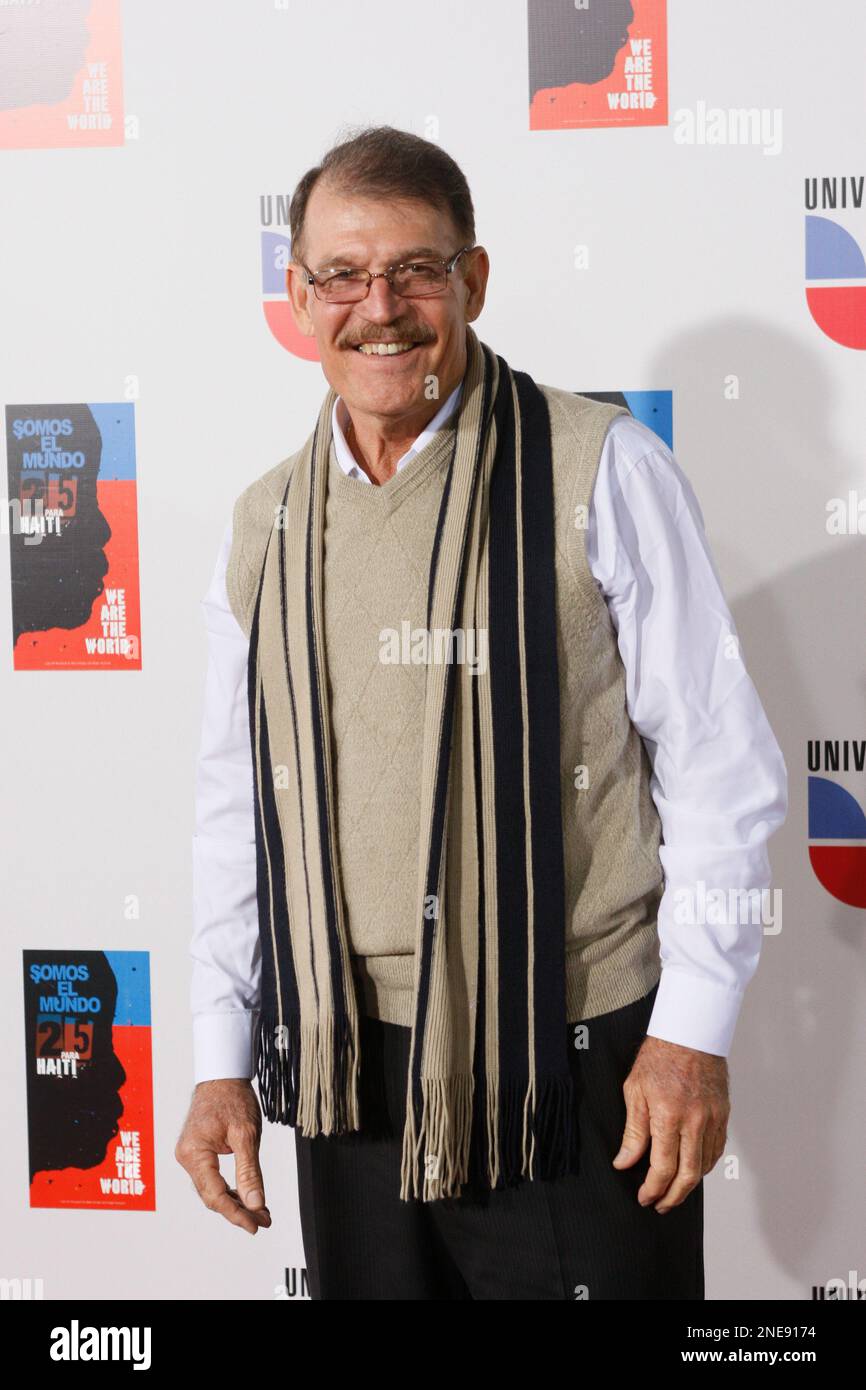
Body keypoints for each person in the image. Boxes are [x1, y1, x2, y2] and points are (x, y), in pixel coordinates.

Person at [175, 125, 788, 1300]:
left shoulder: (597, 468)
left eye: (416, 268)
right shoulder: (265, 525)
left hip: (572, 1051)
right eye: (342, 275)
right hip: (348, 1066)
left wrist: (690, 1031)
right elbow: (233, 810)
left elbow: (718, 767)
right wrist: (218, 1060)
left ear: (474, 279)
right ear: (298, 297)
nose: (381, 307)